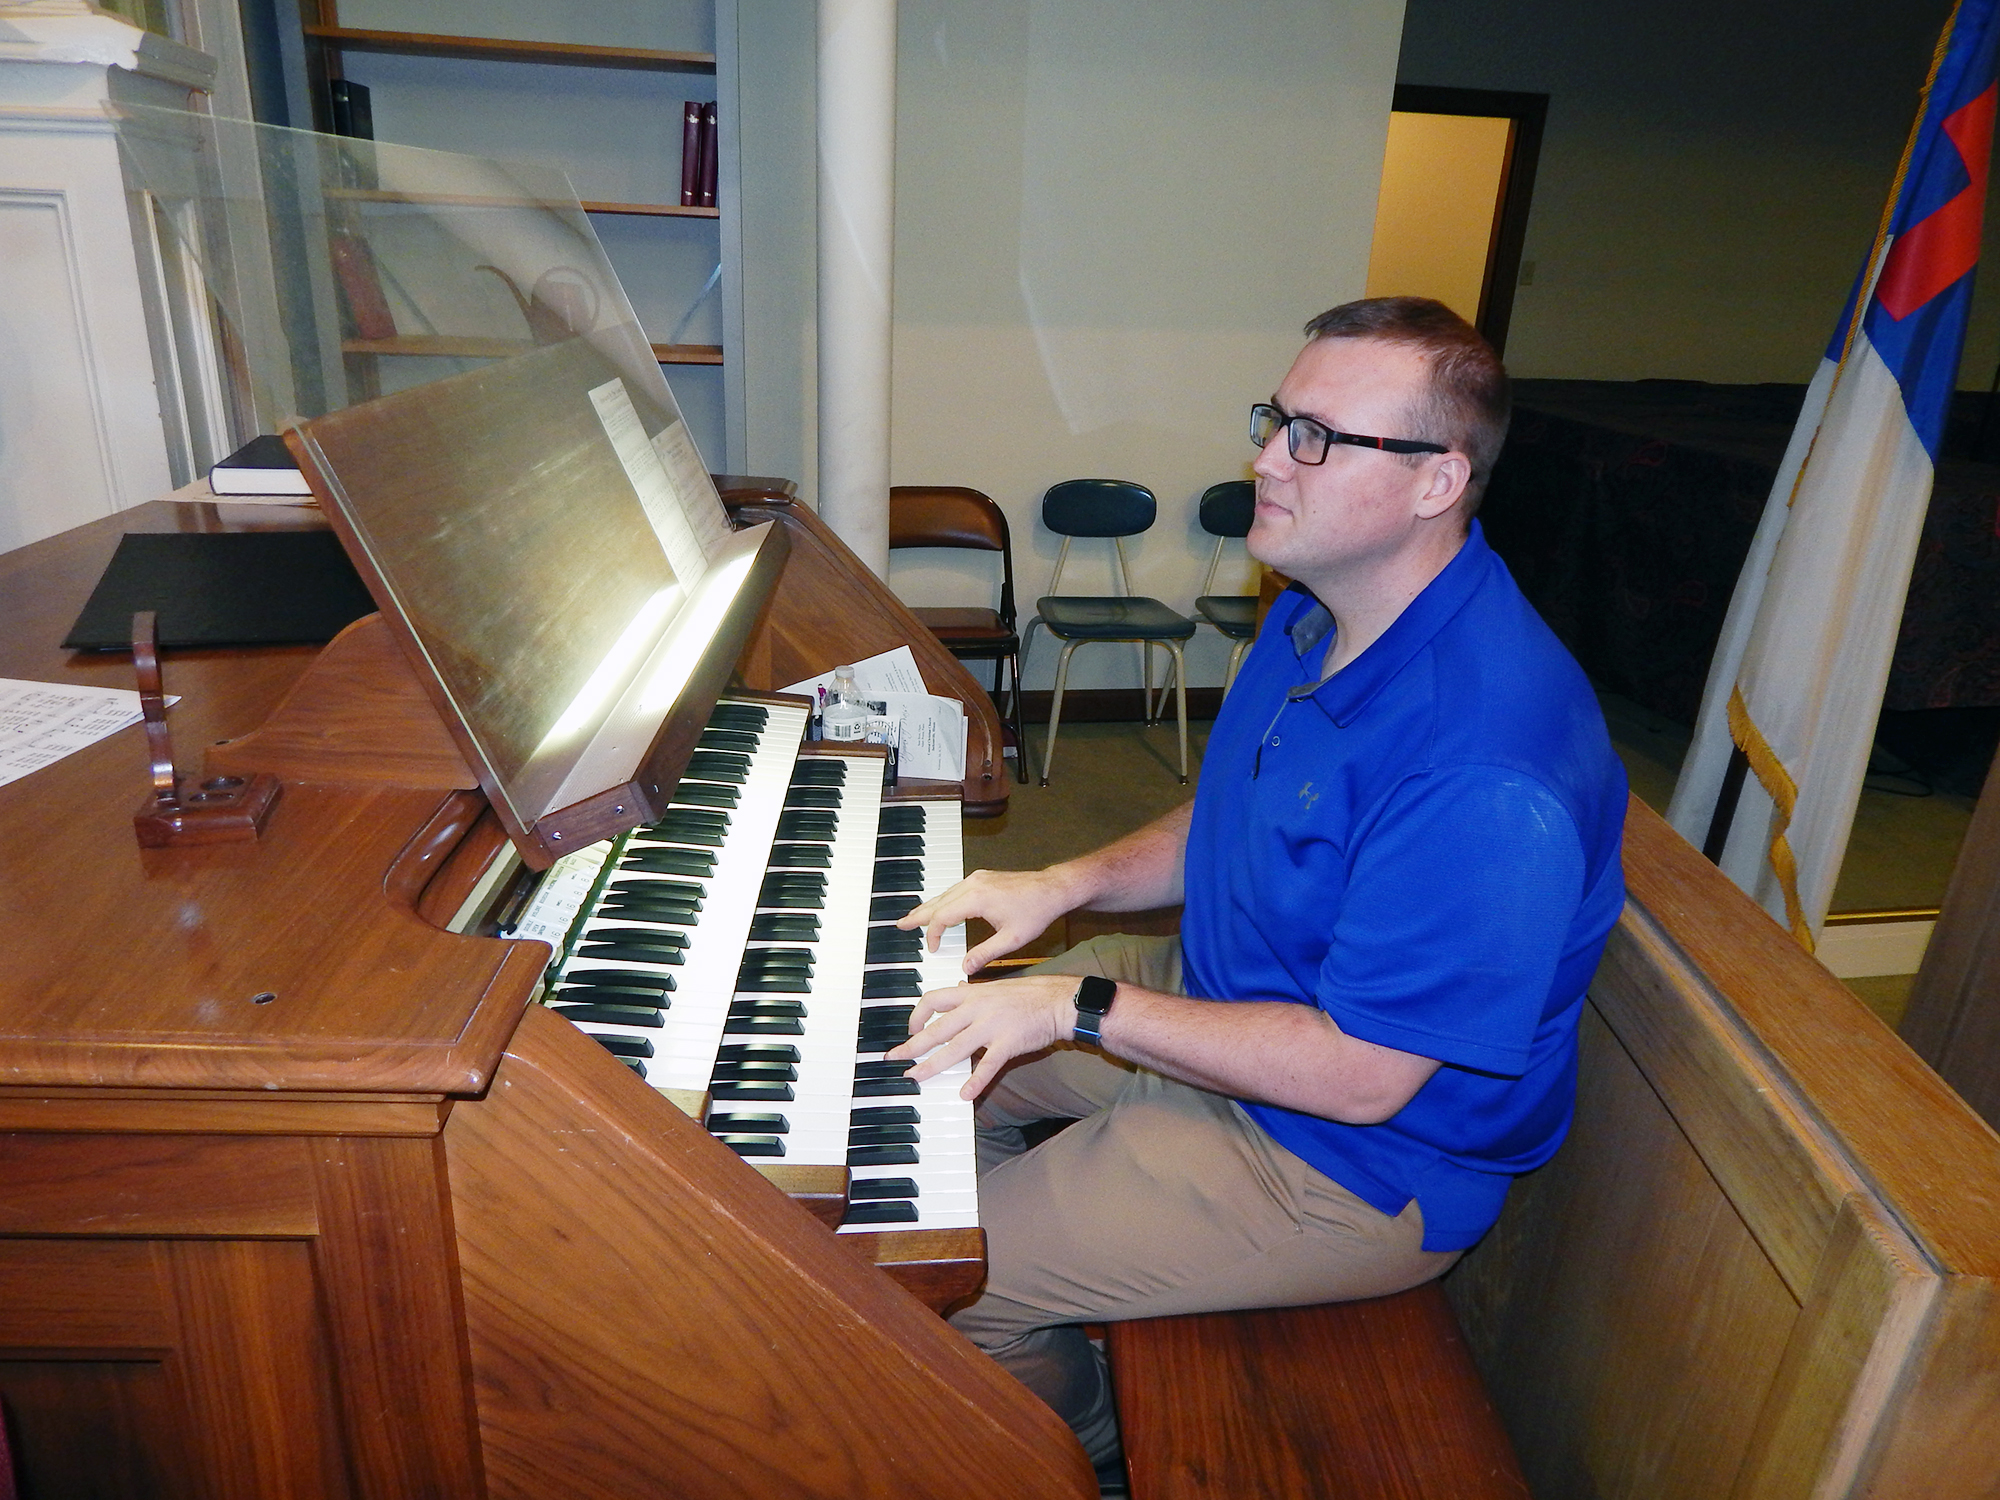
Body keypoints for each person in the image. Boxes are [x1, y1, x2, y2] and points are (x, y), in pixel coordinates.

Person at [888, 296, 1628, 1486]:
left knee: (941, 1277)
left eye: (1318, 438)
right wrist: (1063, 881)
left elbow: (1361, 1077)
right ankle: (1069, 1258)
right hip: (1225, 990)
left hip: (1344, 1163)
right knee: (904, 1084)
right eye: (1278, 419)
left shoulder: (1485, 766)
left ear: (1438, 481)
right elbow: (1239, 814)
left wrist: (1074, 1008)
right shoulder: (1316, 610)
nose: (1266, 458)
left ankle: (1077, 1452)